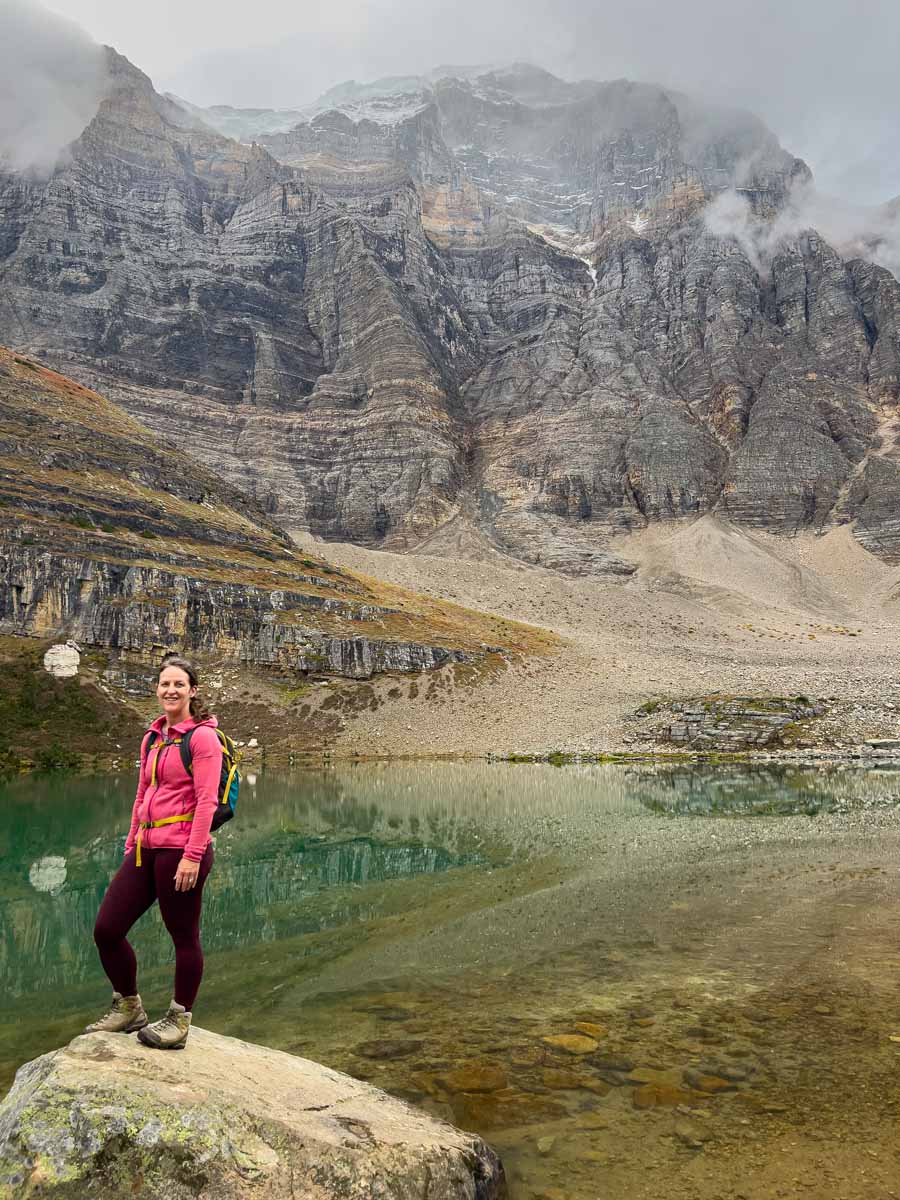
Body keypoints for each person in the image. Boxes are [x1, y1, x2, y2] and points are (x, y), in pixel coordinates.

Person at [85, 654, 223, 1049]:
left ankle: (179, 1019)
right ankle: (129, 1006)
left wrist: (193, 855)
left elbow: (205, 800)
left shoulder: (203, 738)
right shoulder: (153, 737)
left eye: (179, 684)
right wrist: (132, 844)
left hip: (181, 851)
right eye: (165, 684)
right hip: (146, 850)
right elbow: (143, 793)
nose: (171, 690)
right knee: (107, 929)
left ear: (192, 691)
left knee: (183, 937)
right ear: (157, 689)